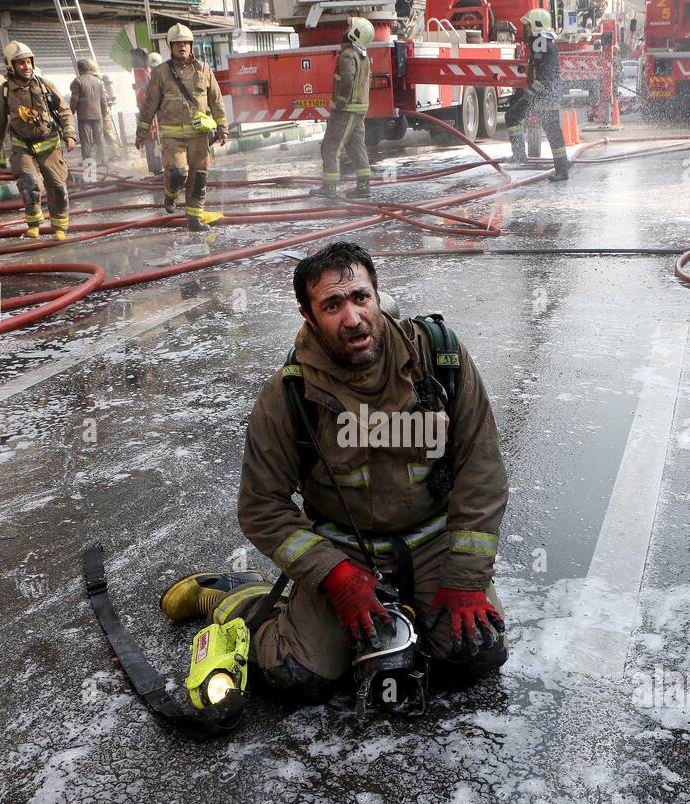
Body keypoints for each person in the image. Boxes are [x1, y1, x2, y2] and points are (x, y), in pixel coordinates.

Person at [160, 242, 509, 706]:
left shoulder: (440, 359)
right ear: (308, 316)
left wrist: (465, 579)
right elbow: (262, 507)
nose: (352, 318)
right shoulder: (289, 395)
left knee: (475, 654)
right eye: (332, 305)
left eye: (361, 298)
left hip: (432, 547)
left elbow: (480, 467)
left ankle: (407, 619)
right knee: (298, 678)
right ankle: (238, 600)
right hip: (343, 553)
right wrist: (336, 577)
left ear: (377, 296)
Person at [134, 23, 227, 231]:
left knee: (199, 175)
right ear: (170, 46)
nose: (182, 46)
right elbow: (149, 105)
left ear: (191, 45)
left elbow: (216, 101)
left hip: (199, 136)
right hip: (172, 135)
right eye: (177, 43)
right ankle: (170, 193)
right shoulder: (161, 73)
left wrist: (223, 128)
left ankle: (194, 219)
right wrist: (141, 133)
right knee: (177, 173)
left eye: (185, 42)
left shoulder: (204, 70)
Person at [0, 41, 77, 241]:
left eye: (29, 62)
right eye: (21, 63)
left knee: (57, 186)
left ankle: (60, 228)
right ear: (11, 66)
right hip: (22, 145)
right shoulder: (4, 92)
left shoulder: (45, 85)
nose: (26, 66)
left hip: (49, 143)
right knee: (29, 184)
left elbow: (64, 110)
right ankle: (34, 224)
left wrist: (69, 133)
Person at [310, 17, 373, 199]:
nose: (344, 32)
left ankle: (329, 188)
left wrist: (341, 101)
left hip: (346, 110)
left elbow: (347, 80)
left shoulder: (347, 55)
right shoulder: (363, 55)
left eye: (349, 29)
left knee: (331, 146)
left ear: (355, 34)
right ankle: (363, 186)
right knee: (355, 145)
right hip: (359, 109)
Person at [504, 9, 569, 181]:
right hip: (545, 96)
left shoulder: (541, 43)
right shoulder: (541, 42)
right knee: (550, 130)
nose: (523, 30)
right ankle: (561, 168)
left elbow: (544, 77)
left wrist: (530, 95)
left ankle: (561, 170)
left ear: (536, 26)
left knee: (550, 130)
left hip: (544, 96)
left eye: (527, 26)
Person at [70, 58, 109, 167]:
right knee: (99, 139)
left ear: (79, 69)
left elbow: (74, 100)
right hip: (98, 115)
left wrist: (70, 113)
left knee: (85, 140)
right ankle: (103, 160)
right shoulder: (98, 81)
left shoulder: (77, 81)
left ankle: (87, 162)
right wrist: (104, 114)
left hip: (84, 116)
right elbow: (104, 101)